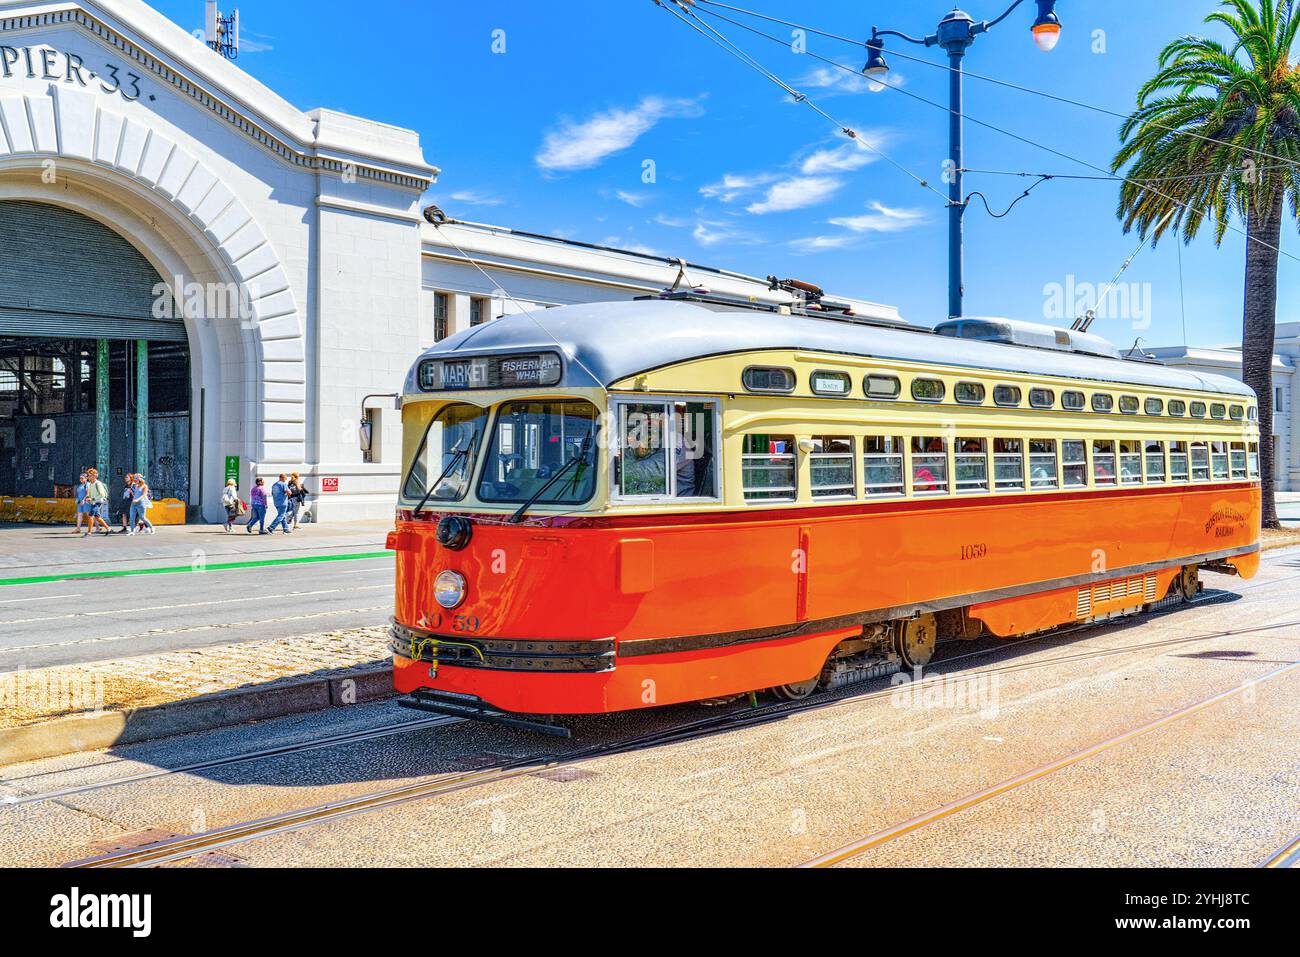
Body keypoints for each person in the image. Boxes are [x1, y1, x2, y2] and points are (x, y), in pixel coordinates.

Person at [82, 468, 111, 537]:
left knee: (90, 515)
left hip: (98, 502)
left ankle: (89, 532)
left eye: (90, 475)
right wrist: (88, 498)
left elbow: (102, 494)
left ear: (95, 476)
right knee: (97, 517)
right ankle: (108, 528)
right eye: (88, 475)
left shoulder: (98, 483)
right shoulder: (91, 484)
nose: (88, 477)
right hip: (93, 502)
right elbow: (91, 494)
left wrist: (92, 499)